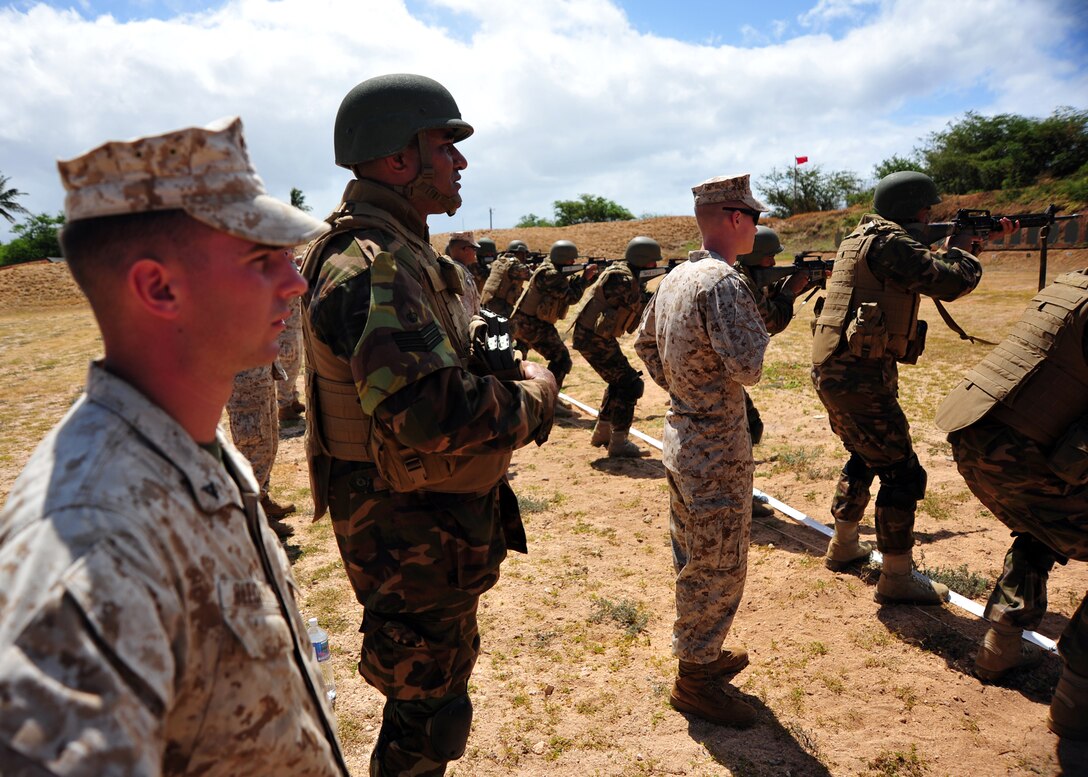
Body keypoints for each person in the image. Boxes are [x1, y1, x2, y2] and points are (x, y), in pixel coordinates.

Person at [0, 118, 349, 775]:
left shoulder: (196, 443)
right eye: (261, 260)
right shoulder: (92, 545)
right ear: (159, 288)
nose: (296, 282)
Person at [300, 73, 557, 777]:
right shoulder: (372, 266)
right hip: (407, 530)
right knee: (427, 718)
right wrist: (536, 395)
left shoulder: (401, 253)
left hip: (427, 521)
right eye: (445, 145)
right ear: (397, 158)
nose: (460, 161)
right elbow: (431, 416)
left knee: (432, 705)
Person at [811, 171, 1010, 602]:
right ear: (915, 211)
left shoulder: (861, 238)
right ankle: (897, 577)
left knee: (865, 455)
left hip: (840, 372)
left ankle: (844, 544)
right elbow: (952, 282)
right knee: (902, 473)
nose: (928, 217)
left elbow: (919, 268)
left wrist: (963, 244)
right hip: (859, 378)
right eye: (926, 211)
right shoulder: (890, 243)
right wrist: (965, 249)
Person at [634, 173, 770, 728]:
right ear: (736, 218)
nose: (757, 227)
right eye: (754, 217)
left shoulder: (675, 277)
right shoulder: (722, 283)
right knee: (717, 564)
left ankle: (703, 655)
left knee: (694, 555)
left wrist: (685, 385)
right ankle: (695, 680)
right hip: (716, 448)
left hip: (682, 436)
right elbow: (749, 367)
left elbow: (645, 343)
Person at [936, 267, 1088, 740]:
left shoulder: (1072, 281)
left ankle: (999, 644)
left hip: (978, 440)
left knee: (1048, 517)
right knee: (1058, 501)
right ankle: (1077, 699)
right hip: (1029, 455)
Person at [734, 225, 812, 516]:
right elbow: (774, 320)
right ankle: (739, 499)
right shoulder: (743, 284)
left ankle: (740, 494)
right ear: (756, 257)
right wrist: (790, 291)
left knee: (748, 428)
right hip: (723, 375)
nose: (775, 262)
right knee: (744, 430)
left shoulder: (743, 276)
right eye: (770, 257)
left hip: (725, 372)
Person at [573, 235, 659, 457]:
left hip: (596, 337)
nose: (656, 266)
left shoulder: (626, 275)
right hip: (593, 339)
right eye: (653, 262)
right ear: (643, 260)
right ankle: (619, 443)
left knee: (618, 381)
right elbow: (639, 305)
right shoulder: (622, 279)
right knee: (631, 385)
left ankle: (602, 433)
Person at [511, 239, 598, 390]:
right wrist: (585, 278)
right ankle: (548, 395)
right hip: (534, 326)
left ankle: (518, 390)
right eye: (571, 260)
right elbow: (572, 297)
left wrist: (590, 278)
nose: (573, 262)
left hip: (524, 322)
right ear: (562, 258)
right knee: (562, 359)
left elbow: (568, 286)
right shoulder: (551, 275)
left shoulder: (549, 268)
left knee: (519, 357)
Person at [227, 362, 296, 535]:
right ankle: (253, 518)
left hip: (260, 375)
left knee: (268, 445)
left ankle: (262, 499)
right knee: (253, 449)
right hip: (244, 381)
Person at [278, 261, 307, 422]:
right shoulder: (281, 271)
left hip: (293, 327)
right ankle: (284, 407)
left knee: (294, 367)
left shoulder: (287, 267)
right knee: (288, 367)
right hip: (286, 331)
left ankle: (292, 400)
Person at [480, 238, 531, 319]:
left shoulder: (499, 261)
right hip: (500, 307)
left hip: (487, 302)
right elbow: (531, 276)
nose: (525, 257)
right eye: (524, 254)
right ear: (519, 253)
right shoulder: (514, 265)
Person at [443, 230, 482, 318]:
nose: (475, 252)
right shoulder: (461, 275)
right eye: (474, 249)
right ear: (466, 250)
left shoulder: (455, 271)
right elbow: (467, 314)